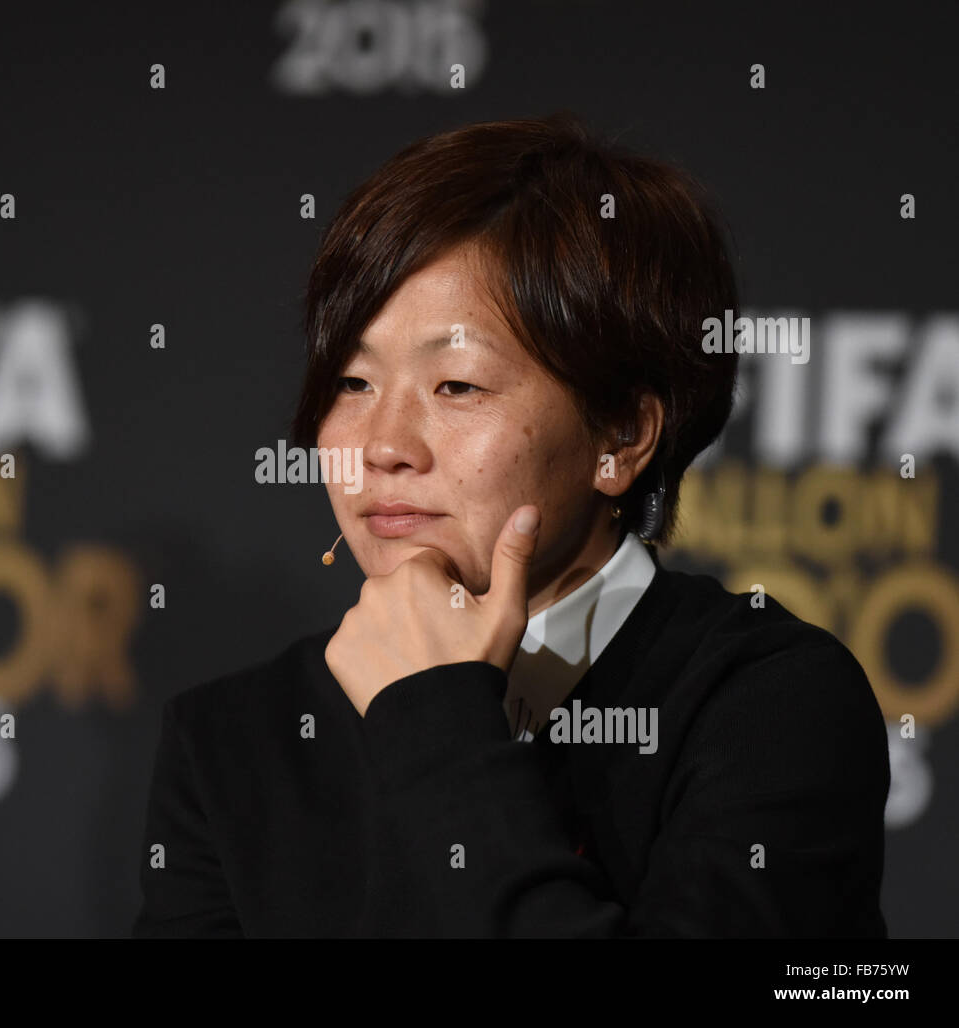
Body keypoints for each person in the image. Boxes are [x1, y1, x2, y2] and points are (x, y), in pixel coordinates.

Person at [130, 113, 890, 938]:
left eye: (456, 385)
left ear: (622, 437)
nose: (382, 445)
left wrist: (436, 718)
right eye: (351, 381)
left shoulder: (771, 703)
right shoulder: (234, 741)